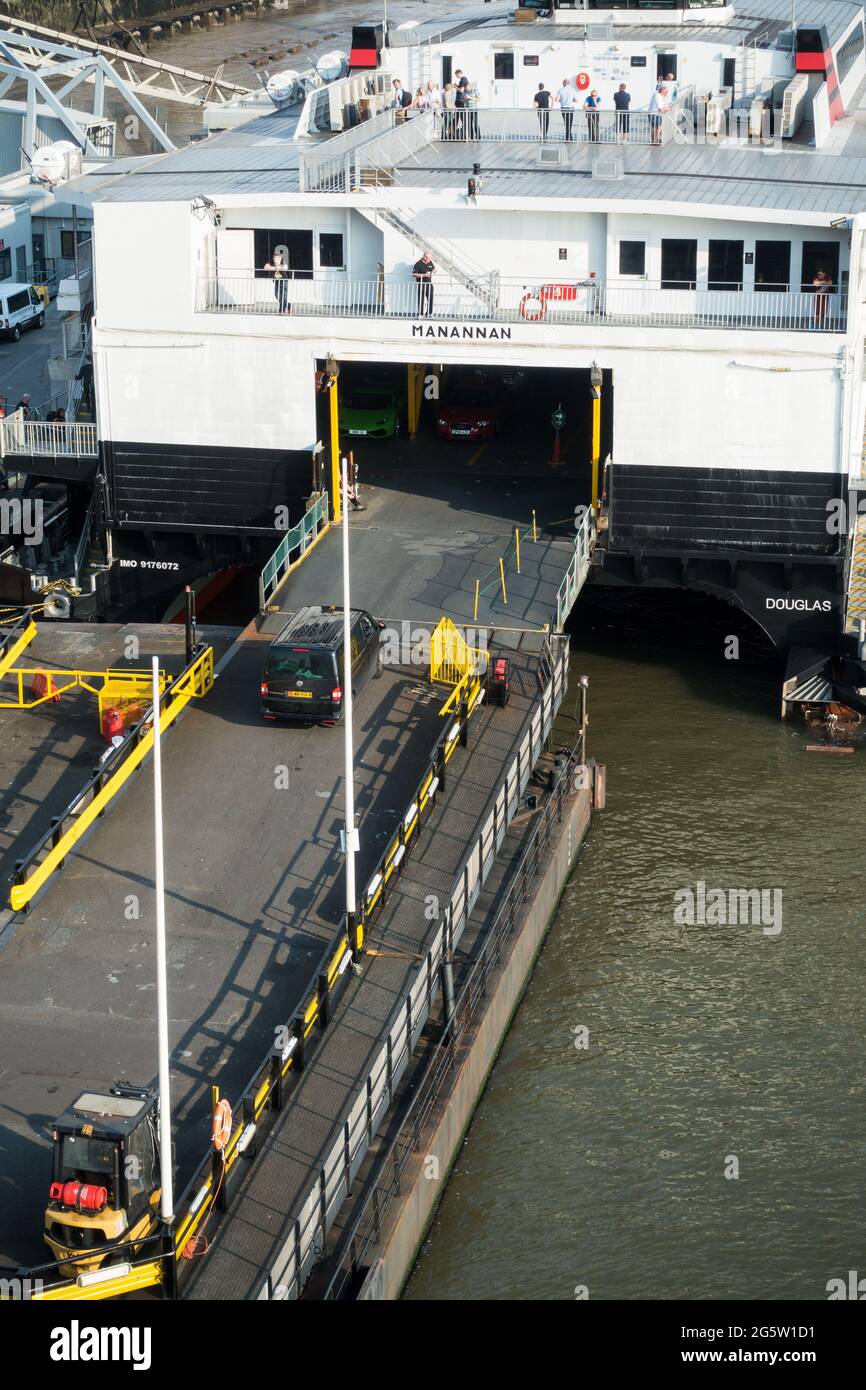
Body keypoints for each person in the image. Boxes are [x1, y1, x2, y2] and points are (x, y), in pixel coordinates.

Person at [264, 248, 290, 313]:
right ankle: (287, 305)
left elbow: (285, 267)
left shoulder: (283, 262)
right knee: (276, 294)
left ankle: (282, 308)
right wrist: (275, 268)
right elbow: (265, 267)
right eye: (274, 258)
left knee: (283, 295)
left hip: (283, 281)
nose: (274, 259)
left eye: (276, 258)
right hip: (276, 281)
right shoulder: (272, 262)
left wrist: (279, 267)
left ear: (280, 258)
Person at [413, 251, 435, 316]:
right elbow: (414, 274)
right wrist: (424, 275)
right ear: (424, 257)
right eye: (429, 258)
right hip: (421, 284)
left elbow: (434, 269)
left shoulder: (430, 262)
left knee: (431, 299)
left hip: (429, 284)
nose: (430, 260)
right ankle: (420, 314)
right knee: (421, 299)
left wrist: (434, 270)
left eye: (430, 258)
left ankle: (429, 313)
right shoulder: (418, 264)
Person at [556, 78, 576, 142]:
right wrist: (571, 100)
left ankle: (568, 138)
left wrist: (561, 100)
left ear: (564, 83)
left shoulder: (560, 90)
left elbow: (556, 99)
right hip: (570, 108)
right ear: (569, 83)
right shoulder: (573, 90)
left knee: (566, 122)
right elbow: (576, 100)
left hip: (564, 108)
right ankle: (569, 137)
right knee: (569, 123)